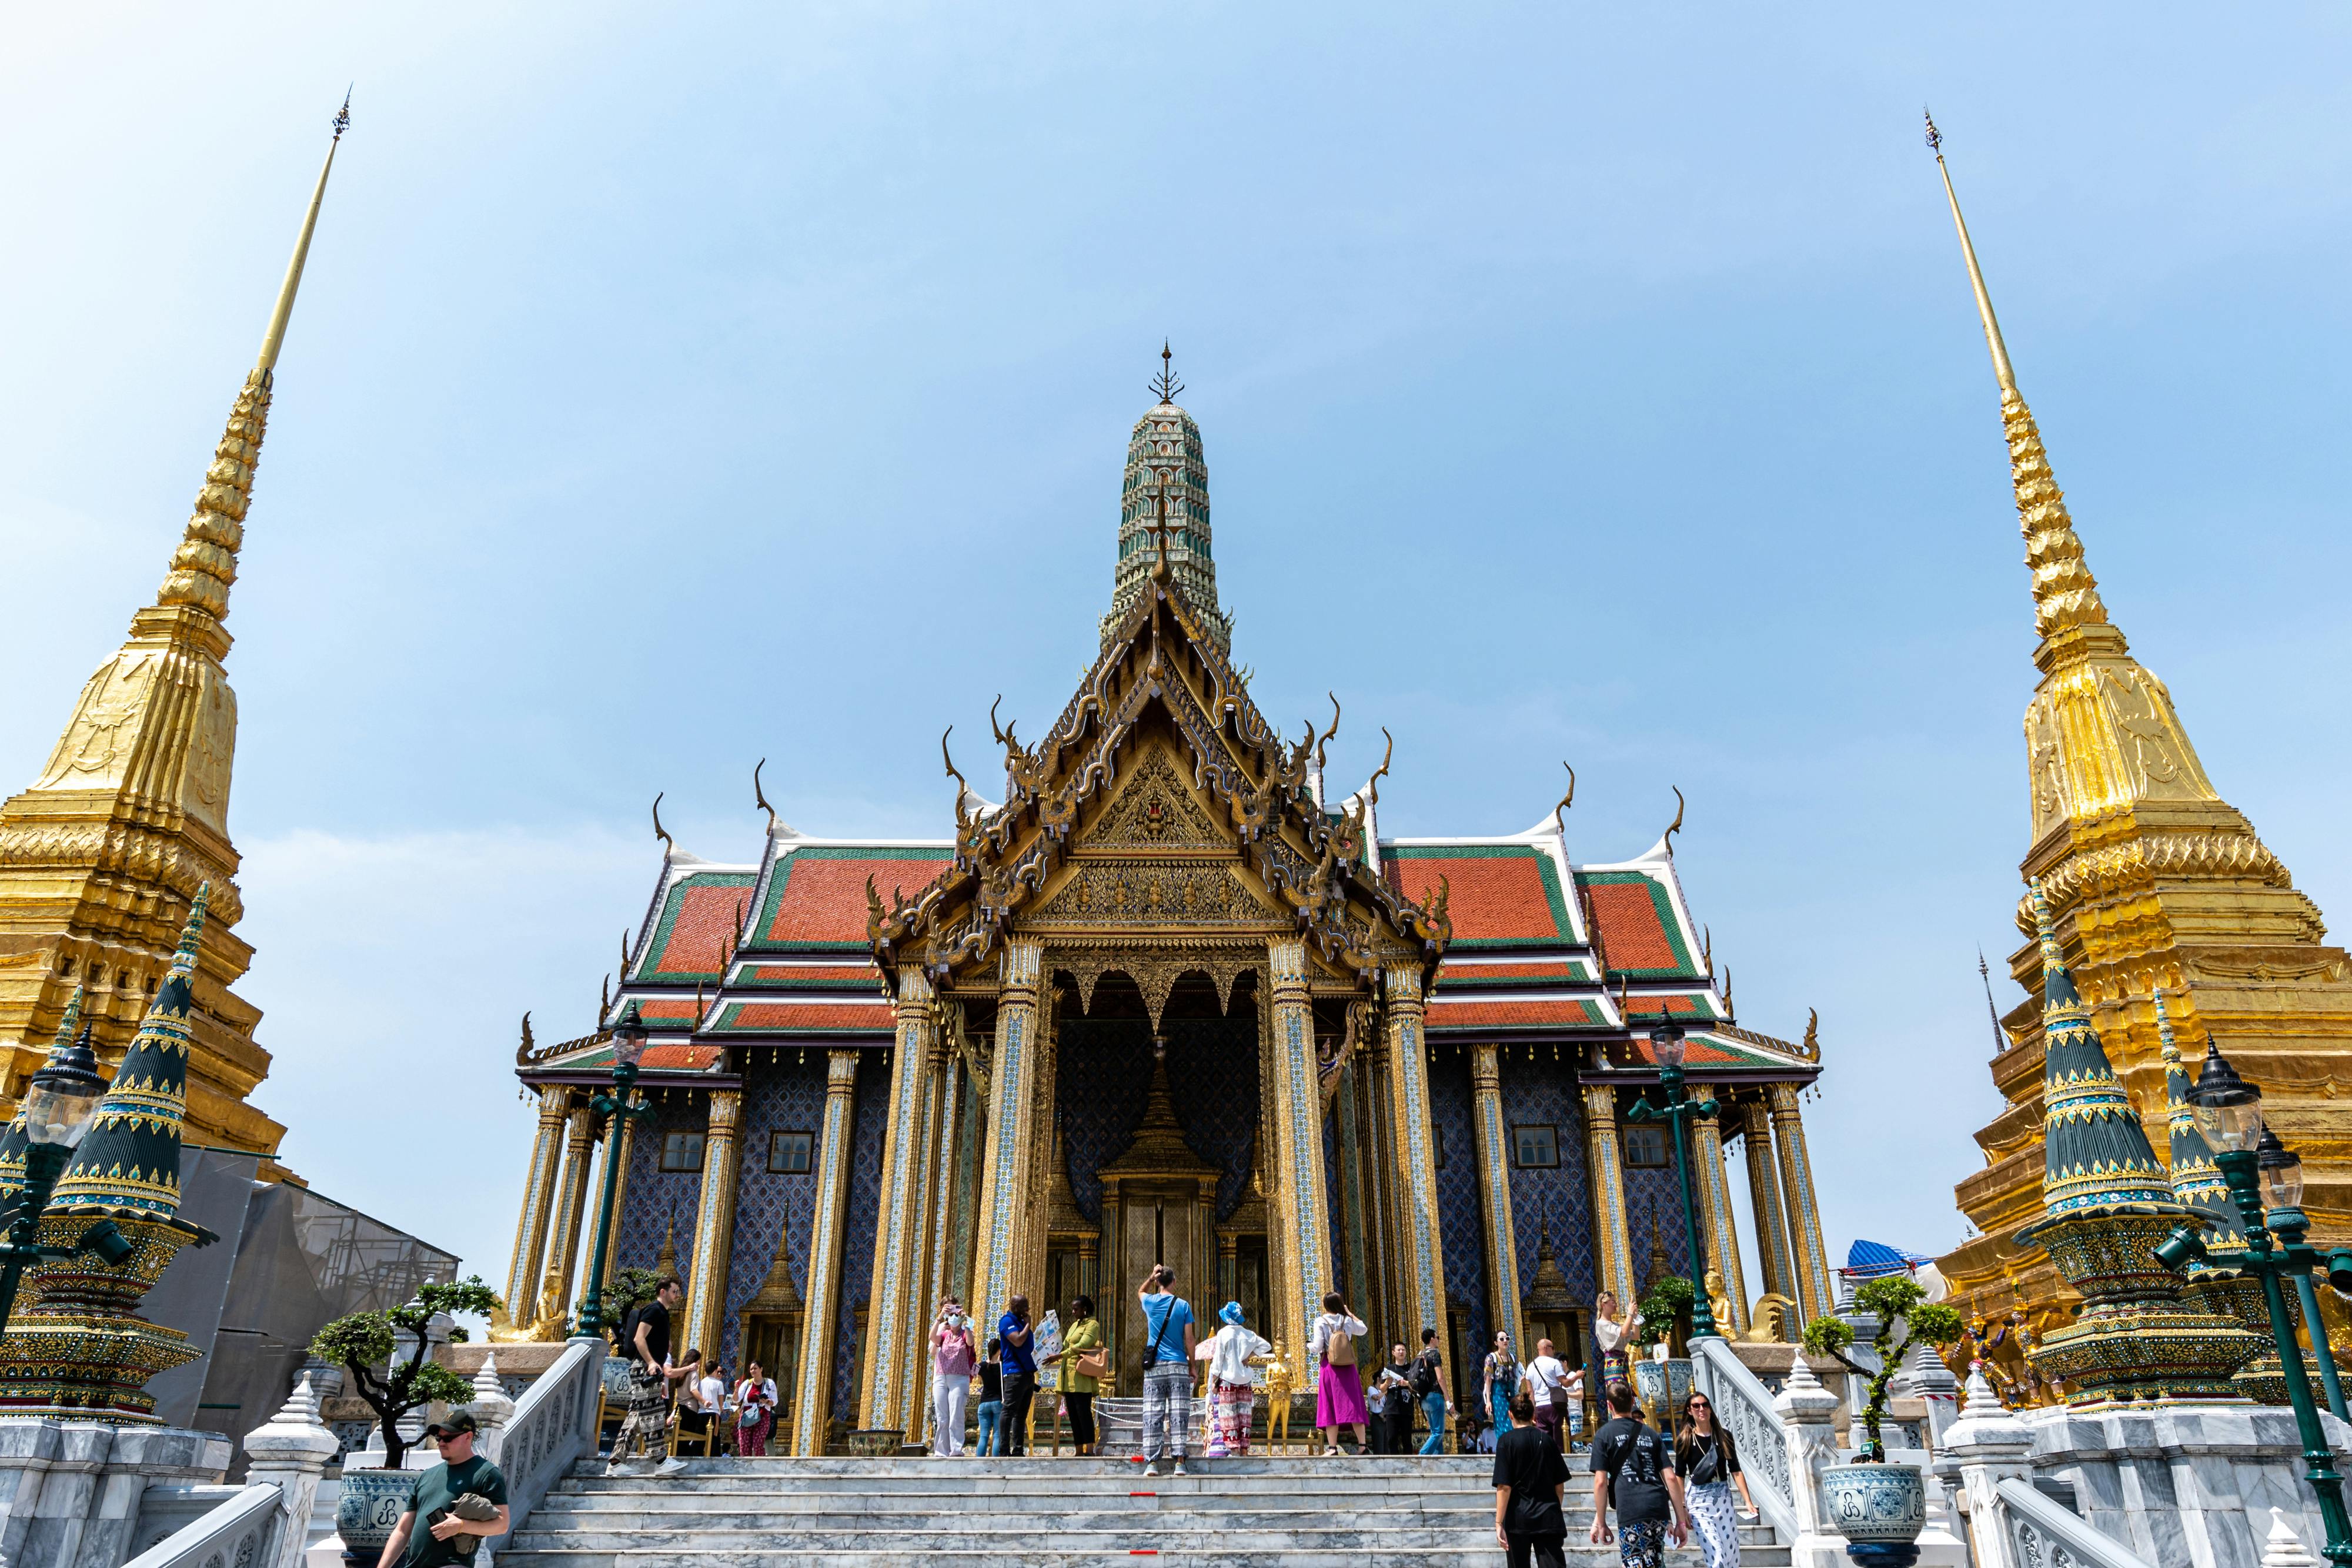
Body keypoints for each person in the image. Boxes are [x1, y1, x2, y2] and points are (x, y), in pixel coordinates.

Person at [375, 1409, 509, 1568]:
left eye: (449, 1438)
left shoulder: (486, 1473)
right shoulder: (426, 1476)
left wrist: (461, 1526)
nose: (441, 1443)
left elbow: (502, 1525)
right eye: (439, 1438)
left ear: (468, 1437)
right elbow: (403, 1530)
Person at [1591, 1379, 1688, 1568]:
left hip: (1631, 1509)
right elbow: (1670, 1477)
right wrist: (1680, 1522)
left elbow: (1601, 1482)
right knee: (1655, 1562)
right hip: (1658, 1508)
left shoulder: (1604, 1435)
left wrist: (1601, 1522)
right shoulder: (1651, 1434)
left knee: (1636, 1563)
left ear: (1610, 1405)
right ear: (1632, 1403)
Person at [608, 1276, 692, 1477]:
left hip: (650, 1369)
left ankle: (615, 1461)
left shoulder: (662, 1314)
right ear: (663, 1291)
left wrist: (660, 1374)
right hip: (644, 1367)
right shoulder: (654, 1310)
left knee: (636, 1415)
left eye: (678, 1291)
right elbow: (639, 1338)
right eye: (674, 1291)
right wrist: (651, 1363)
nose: (677, 1295)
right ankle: (660, 1460)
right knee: (654, 1412)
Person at [1491, 1390, 1571, 1568]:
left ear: (1510, 1414)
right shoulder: (1547, 1440)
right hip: (1547, 1515)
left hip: (1518, 1517)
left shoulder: (1506, 1442)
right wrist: (1554, 1507)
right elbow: (1559, 1485)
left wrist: (1498, 1522)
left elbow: (1504, 1487)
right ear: (1533, 1415)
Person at [1676, 1391, 1753, 1568]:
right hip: (1698, 1502)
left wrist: (1748, 1501)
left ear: (1710, 1409)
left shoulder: (1724, 1436)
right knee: (1716, 1553)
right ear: (1689, 1411)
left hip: (1723, 1500)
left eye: (1705, 1405)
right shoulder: (1685, 1440)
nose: (1701, 1409)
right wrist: (1682, 1507)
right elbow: (1679, 1476)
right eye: (1696, 1406)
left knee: (1731, 1555)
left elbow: (1736, 1470)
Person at [1137, 1262, 1197, 1477]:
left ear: (1159, 1282)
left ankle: (1152, 1462)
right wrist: (1193, 1365)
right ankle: (1180, 1462)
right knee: (1179, 1414)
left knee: (1153, 1413)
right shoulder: (1183, 1306)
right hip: (1178, 1365)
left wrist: (1151, 1277)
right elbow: (1189, 1339)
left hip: (1155, 1368)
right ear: (1174, 1282)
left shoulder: (1151, 1302)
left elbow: (1140, 1292)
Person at [1200, 1300, 1272, 1457]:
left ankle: (1234, 1449)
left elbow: (1218, 1360)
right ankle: (1244, 1449)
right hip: (1245, 1381)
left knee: (1229, 1415)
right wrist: (1250, 1356)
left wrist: (1213, 1381)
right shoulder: (1248, 1334)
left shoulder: (1224, 1333)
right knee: (1244, 1416)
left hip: (1227, 1380)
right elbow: (1266, 1346)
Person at [1307, 1292, 1369, 1456]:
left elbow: (1318, 1346)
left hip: (1330, 1367)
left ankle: (1333, 1448)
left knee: (1330, 1406)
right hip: (1348, 1367)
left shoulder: (1321, 1321)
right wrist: (1349, 1314)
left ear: (1326, 1305)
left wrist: (1309, 1346)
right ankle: (1362, 1445)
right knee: (1355, 1405)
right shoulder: (1347, 1320)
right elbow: (1363, 1330)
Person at [1044, 1295, 1102, 1455]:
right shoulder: (1075, 1325)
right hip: (1068, 1377)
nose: (1073, 1312)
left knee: (1083, 1414)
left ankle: (1089, 1449)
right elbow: (1065, 1344)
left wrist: (1060, 1356)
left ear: (1085, 1310)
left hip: (1082, 1375)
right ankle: (1078, 1449)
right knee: (1074, 1417)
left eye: (1076, 1309)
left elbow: (1084, 1344)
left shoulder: (1092, 1325)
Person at [930, 1298, 975, 1457]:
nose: (953, 1316)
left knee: (956, 1414)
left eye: (955, 1313)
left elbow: (970, 1343)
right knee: (942, 1417)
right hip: (942, 1377)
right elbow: (932, 1338)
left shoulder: (965, 1333)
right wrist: (940, 1316)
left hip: (959, 1378)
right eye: (952, 1314)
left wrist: (965, 1319)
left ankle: (956, 1450)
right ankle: (941, 1451)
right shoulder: (944, 1334)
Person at [1521, 1337, 1579, 1453]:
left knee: (1544, 1440)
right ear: (1545, 1348)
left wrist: (1533, 1412)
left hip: (1540, 1408)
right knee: (1560, 1440)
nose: (1553, 1351)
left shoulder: (1531, 1367)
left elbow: (1530, 1392)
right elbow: (1566, 1383)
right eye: (1552, 1348)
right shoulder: (1554, 1363)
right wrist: (1577, 1376)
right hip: (1555, 1406)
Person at [998, 1294, 1038, 1456]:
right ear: (1015, 1307)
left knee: (1021, 1415)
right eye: (1024, 1306)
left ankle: (1018, 1448)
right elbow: (1018, 1341)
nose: (1027, 1310)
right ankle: (1004, 1449)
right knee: (1008, 1411)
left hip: (1028, 1373)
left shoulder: (1021, 1323)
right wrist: (1028, 1325)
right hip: (1014, 1372)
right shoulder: (1007, 1321)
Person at [1412, 1327, 1455, 1455]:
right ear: (1432, 1340)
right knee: (1438, 1432)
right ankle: (1422, 1455)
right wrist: (1448, 1399)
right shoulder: (1434, 1354)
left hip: (1424, 1398)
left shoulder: (1421, 1354)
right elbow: (1440, 1378)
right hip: (1435, 1396)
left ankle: (1438, 1462)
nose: (1439, 1341)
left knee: (1435, 1433)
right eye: (1438, 1338)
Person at [1372, 1345, 1415, 1455]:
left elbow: (1416, 1386)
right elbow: (1382, 1388)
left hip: (1406, 1408)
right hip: (1392, 1409)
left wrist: (1407, 1383)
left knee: (1407, 1439)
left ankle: (1408, 1463)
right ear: (1393, 1352)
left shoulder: (1411, 1369)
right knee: (1391, 1438)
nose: (1401, 1352)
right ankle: (1393, 1463)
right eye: (1399, 1350)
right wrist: (1387, 1382)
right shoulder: (1389, 1369)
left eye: (1403, 1350)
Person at [1593, 1291, 1643, 1383]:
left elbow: (1636, 1336)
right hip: (1613, 1364)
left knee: (1626, 1394)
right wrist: (1630, 1313)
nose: (1616, 1305)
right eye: (1613, 1302)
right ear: (1603, 1304)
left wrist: (1635, 1317)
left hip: (1623, 1363)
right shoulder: (1601, 1324)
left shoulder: (1615, 1325)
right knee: (1617, 1393)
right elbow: (1624, 1332)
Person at [733, 1360, 776, 1457]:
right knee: (744, 1445)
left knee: (758, 1445)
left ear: (761, 1369)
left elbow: (775, 1401)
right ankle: (745, 1467)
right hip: (747, 1416)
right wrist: (736, 1389)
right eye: (751, 1369)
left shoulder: (769, 1384)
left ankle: (759, 1467)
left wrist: (767, 1401)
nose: (753, 1371)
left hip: (762, 1415)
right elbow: (736, 1400)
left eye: (755, 1368)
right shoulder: (747, 1384)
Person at [1483, 1330, 1521, 1435]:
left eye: (1507, 1338)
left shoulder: (1512, 1357)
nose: (1505, 1341)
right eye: (1502, 1339)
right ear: (1496, 1343)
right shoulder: (1492, 1358)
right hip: (1499, 1394)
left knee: (1513, 1419)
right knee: (1502, 1420)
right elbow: (1488, 1380)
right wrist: (1488, 1401)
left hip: (1511, 1393)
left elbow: (1516, 1377)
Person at [974, 1338, 1005, 1456]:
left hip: (983, 1404)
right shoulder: (1003, 1366)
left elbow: (972, 1374)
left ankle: (979, 1461)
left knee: (984, 1435)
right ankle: (995, 1462)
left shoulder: (981, 1366)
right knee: (997, 1435)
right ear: (999, 1351)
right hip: (998, 1402)